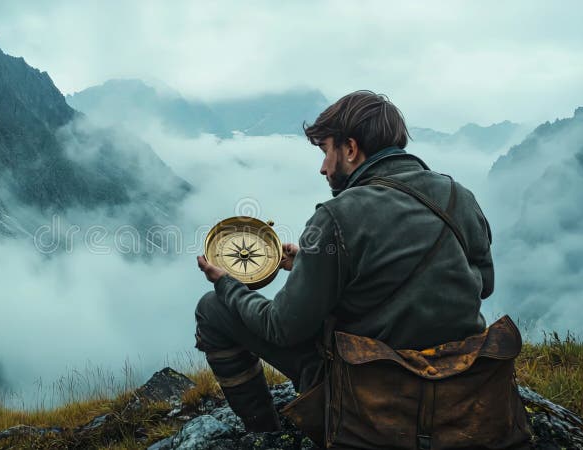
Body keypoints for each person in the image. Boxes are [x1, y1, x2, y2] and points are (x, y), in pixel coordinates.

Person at [194, 90, 495, 433]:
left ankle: (266, 434)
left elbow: (280, 327)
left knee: (212, 308)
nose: (322, 167)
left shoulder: (335, 216)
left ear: (350, 149)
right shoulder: (460, 197)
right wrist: (315, 266)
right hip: (462, 388)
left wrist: (226, 283)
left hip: (369, 399)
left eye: (326, 151)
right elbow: (483, 285)